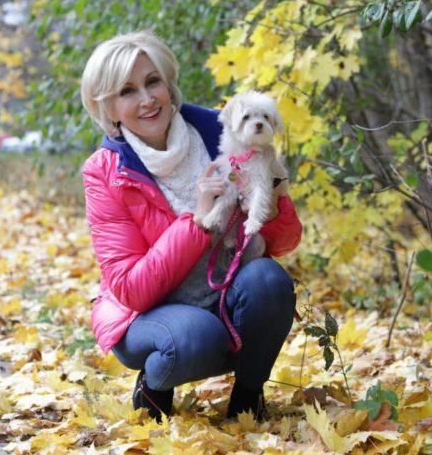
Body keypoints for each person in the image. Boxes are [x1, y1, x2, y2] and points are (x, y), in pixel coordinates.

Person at [80, 30, 302, 422]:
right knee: (194, 337)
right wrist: (199, 220)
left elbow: (284, 240)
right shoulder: (105, 172)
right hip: (151, 314)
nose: (147, 99)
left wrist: (274, 191)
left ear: (169, 84)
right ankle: (154, 387)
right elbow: (133, 288)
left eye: (152, 82)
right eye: (127, 91)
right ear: (109, 108)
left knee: (268, 281)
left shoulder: (225, 130)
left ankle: (248, 399)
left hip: (224, 294)